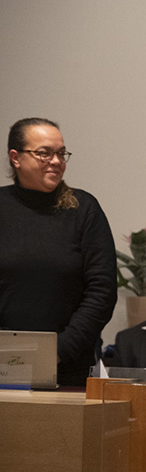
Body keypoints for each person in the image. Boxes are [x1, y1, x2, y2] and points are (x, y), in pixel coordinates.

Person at [0, 117, 116, 386]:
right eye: (44, 153)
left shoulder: (83, 208)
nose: (56, 160)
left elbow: (102, 291)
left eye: (61, 153)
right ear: (15, 158)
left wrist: (57, 352)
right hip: (3, 363)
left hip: (69, 366)